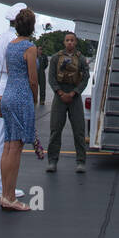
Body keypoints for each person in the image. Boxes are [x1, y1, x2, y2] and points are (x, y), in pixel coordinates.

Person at [0, 8, 40, 212]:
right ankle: (10, 197)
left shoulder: (10, 46)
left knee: (8, 146)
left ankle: (4, 194)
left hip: (8, 95)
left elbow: (9, 70)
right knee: (16, 148)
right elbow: (33, 79)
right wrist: (35, 98)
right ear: (31, 26)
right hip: (21, 97)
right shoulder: (30, 48)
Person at [0, 10, 25, 202]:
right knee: (8, 140)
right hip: (10, 84)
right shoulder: (16, 40)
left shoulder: (0, 38)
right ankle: (0, 186)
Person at [46, 32, 89, 173]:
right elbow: (51, 77)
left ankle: (81, 161)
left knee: (79, 131)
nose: (70, 42)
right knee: (55, 130)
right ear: (64, 42)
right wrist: (60, 92)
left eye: (72, 40)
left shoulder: (81, 59)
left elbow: (85, 78)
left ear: (75, 42)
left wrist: (74, 93)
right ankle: (52, 161)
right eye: (67, 40)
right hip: (59, 96)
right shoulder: (56, 58)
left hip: (74, 96)